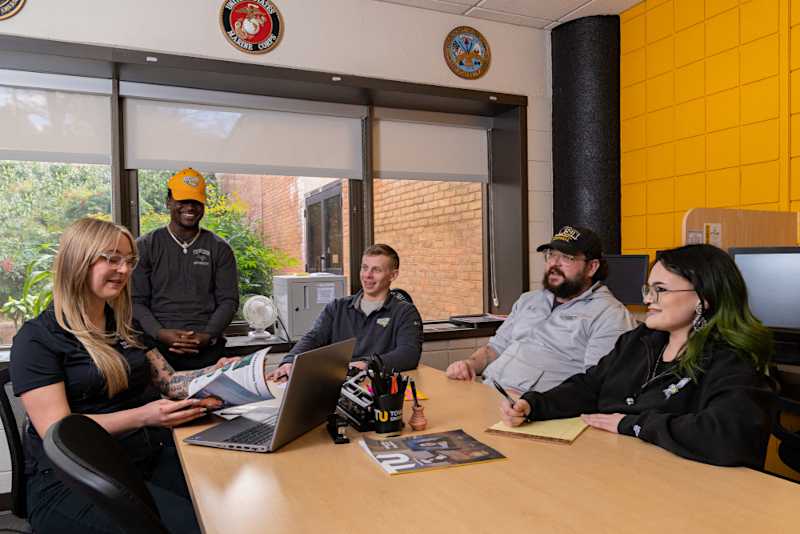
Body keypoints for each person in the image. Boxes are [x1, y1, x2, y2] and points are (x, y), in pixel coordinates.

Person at [10, 217, 241, 533]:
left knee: (224, 510)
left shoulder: (124, 327)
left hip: (143, 459)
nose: (124, 269)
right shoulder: (37, 339)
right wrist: (145, 416)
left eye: (129, 261)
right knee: (191, 526)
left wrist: (215, 373)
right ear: (78, 261)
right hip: (77, 478)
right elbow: (60, 431)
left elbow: (169, 382)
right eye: (112, 258)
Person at [500, 244, 775, 468]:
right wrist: (534, 405)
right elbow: (589, 387)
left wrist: (632, 424)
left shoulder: (733, 358)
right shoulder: (640, 341)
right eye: (648, 288)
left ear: (703, 299)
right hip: (622, 469)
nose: (648, 299)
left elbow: (725, 435)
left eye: (661, 290)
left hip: (690, 493)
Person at [446, 225, 635, 393]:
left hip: (537, 413)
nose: (554, 264)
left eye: (566, 257)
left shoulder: (610, 315)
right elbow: (495, 348)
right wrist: (469, 365)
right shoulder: (530, 300)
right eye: (551, 255)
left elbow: (597, 385)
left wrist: (532, 404)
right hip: (487, 392)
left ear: (592, 267)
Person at [132, 168, 239, 370]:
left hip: (208, 349)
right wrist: (160, 333)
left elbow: (228, 300)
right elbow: (135, 301)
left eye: (196, 201)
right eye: (182, 200)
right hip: (156, 351)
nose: (190, 207)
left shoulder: (220, 248)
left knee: (212, 402)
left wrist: (207, 335)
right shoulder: (145, 246)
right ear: (168, 202)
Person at [269, 244, 422, 381]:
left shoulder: (405, 312)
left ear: (393, 275)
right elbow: (313, 338)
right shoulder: (337, 308)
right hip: (337, 386)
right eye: (364, 267)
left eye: (376, 270)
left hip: (378, 388)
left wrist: (366, 365)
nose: (367, 275)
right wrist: (289, 361)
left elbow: (409, 354)